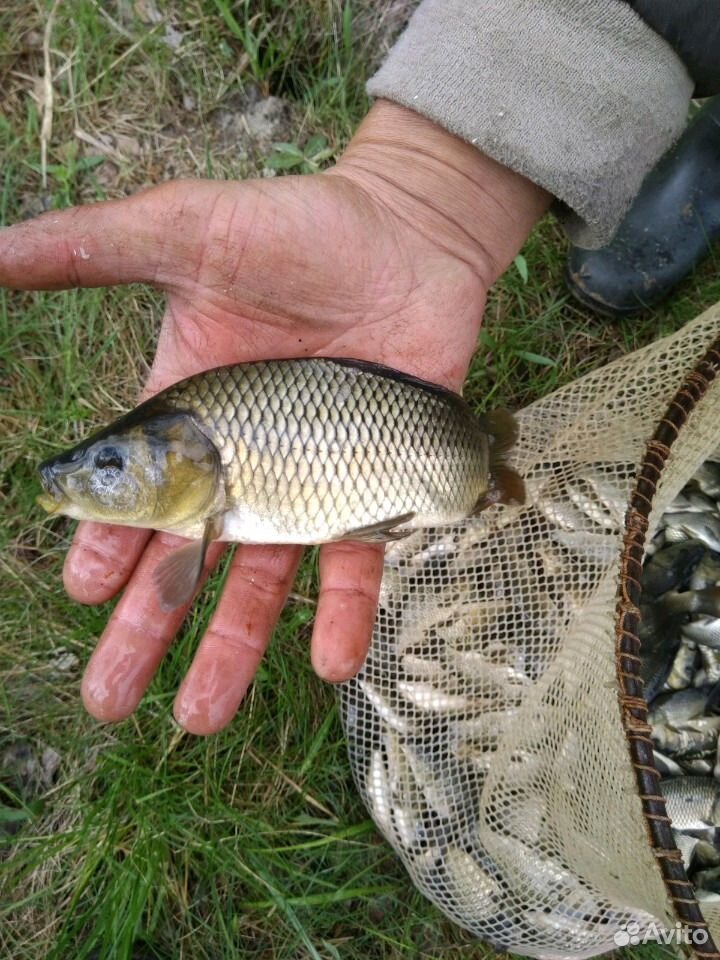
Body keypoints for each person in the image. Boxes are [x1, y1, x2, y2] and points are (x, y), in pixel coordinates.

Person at [0, 1, 717, 736]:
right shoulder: (204, 457)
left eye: (110, 462)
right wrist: (433, 190)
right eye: (109, 463)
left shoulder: (208, 446)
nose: (97, 475)